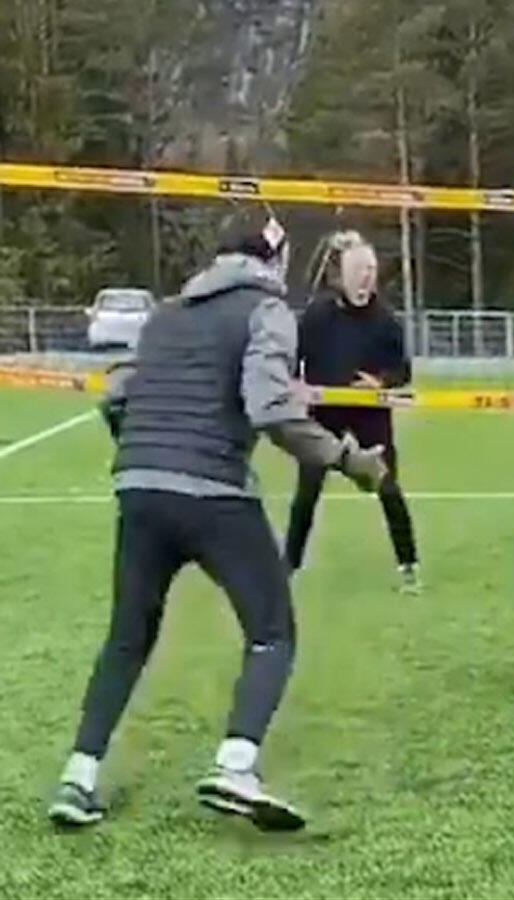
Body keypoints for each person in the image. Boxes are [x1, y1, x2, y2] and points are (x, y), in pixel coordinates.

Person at [47, 212, 388, 831]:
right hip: (212, 489)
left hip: (140, 486)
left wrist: (150, 449)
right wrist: (347, 460)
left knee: (127, 637)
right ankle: (235, 763)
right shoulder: (265, 311)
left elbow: (116, 395)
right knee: (271, 631)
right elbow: (269, 408)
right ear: (272, 260)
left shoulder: (168, 311)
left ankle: (78, 776)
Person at [283, 231, 420, 593]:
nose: (365, 276)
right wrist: (293, 384)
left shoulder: (386, 321)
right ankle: (289, 567)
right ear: (339, 275)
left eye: (371, 269)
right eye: (358, 269)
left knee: (388, 486)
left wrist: (382, 382)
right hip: (323, 413)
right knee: (307, 491)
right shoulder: (317, 315)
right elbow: (290, 360)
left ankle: (409, 567)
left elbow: (403, 371)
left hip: (369, 415)